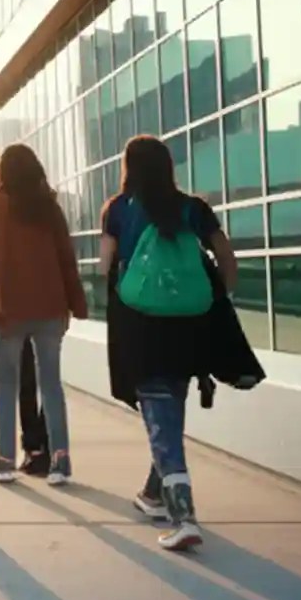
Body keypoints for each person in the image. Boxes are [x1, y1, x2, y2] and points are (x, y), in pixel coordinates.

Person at [99, 134, 239, 551]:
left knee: (160, 417)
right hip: (189, 326)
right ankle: (154, 495)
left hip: (141, 326)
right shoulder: (194, 208)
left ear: (129, 167)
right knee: (169, 409)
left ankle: (184, 516)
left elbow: (106, 266)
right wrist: (216, 301)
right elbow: (227, 261)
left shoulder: (119, 209)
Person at [0, 144, 88, 486]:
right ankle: (61, 461)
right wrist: (73, 304)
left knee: (6, 385)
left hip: (10, 309)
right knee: (52, 385)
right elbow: (66, 258)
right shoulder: (50, 206)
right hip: (50, 307)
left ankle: (4, 462)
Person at [0, 172, 50, 477]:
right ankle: (39, 447)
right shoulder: (20, 224)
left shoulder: (3, 228)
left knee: (24, 383)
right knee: (37, 382)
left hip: (12, 314)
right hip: (38, 309)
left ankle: (33, 448)